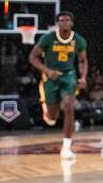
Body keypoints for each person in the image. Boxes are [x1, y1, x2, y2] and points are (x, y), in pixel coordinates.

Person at [28, 11, 87, 159]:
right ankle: (47, 111)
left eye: (67, 20)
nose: (65, 22)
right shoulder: (48, 38)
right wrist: (47, 71)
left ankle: (66, 148)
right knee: (53, 118)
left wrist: (83, 77)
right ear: (57, 23)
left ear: (72, 23)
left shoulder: (79, 40)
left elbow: (82, 60)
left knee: (69, 105)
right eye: (62, 20)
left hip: (68, 76)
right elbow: (33, 57)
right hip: (51, 77)